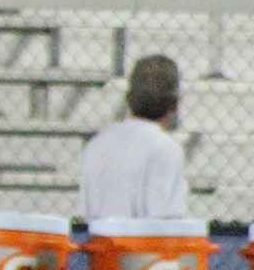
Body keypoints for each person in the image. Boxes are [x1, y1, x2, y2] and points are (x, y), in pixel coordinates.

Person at [78, 54, 187, 220]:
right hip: (139, 245)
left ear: (128, 99)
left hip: (98, 244)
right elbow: (165, 222)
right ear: (174, 104)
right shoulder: (166, 148)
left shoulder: (97, 144)